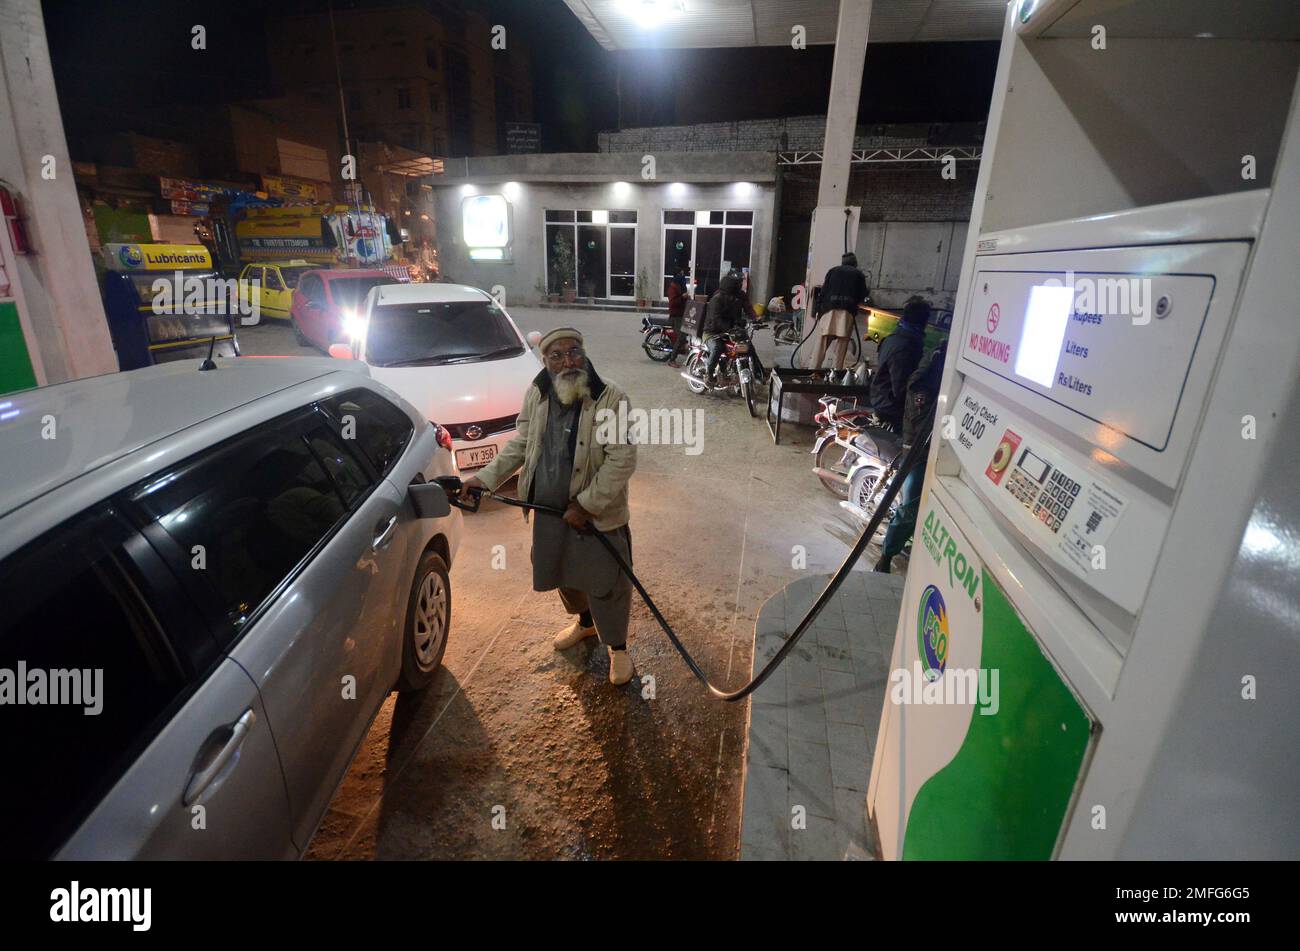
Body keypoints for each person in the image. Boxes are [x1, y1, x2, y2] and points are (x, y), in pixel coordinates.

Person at [462, 329, 638, 685]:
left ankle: (618, 648)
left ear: (584, 353)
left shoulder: (611, 397)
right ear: (545, 362)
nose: (567, 361)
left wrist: (586, 505)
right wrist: (485, 479)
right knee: (563, 572)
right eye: (555, 356)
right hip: (548, 508)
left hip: (596, 514)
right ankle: (586, 625)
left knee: (606, 580)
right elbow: (523, 444)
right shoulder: (537, 393)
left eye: (573, 352)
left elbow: (622, 458)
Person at [876, 346, 945, 573]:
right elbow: (924, 423)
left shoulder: (934, 382)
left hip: (932, 454)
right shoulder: (923, 386)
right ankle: (886, 556)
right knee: (909, 509)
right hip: (918, 454)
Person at [868, 297, 930, 432]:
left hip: (882, 399)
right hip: (890, 407)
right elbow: (901, 388)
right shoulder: (905, 347)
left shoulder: (895, 337)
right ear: (923, 323)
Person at [811, 252, 869, 377]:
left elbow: (823, 292)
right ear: (855, 263)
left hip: (828, 310)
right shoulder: (858, 274)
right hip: (846, 312)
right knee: (841, 347)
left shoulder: (832, 271)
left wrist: (817, 310)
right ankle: (835, 374)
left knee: (821, 344)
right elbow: (863, 295)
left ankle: (812, 371)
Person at [701, 270, 746, 384]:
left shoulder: (732, 300)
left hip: (725, 333)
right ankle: (709, 374)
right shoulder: (716, 300)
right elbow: (716, 320)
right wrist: (730, 328)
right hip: (711, 333)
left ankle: (726, 371)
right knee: (718, 347)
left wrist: (740, 323)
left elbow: (735, 316)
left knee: (738, 348)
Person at [666, 269, 689, 367]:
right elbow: (672, 303)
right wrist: (682, 297)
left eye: (683, 274)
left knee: (687, 332)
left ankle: (681, 349)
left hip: (681, 315)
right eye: (681, 274)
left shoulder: (681, 286)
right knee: (681, 336)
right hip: (675, 316)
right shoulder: (673, 287)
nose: (683, 276)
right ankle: (672, 359)